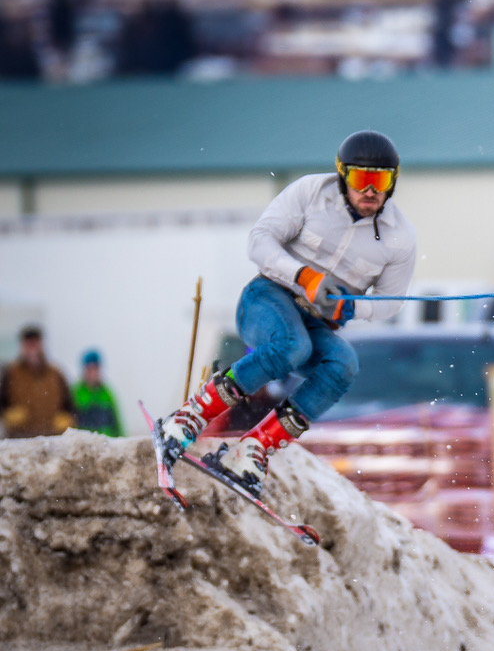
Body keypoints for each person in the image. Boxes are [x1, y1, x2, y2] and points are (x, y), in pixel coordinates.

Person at [155, 130, 417, 495]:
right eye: (361, 179)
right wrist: (304, 276)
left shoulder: (400, 239)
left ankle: (253, 449)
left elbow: (392, 301)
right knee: (293, 347)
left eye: (381, 181)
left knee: (344, 365)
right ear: (343, 176)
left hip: (315, 323)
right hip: (267, 298)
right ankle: (189, 417)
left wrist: (353, 306)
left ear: (394, 182)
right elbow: (259, 240)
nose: (370, 191)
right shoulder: (310, 193)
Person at [0, 325, 74, 438]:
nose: (32, 347)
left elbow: (70, 406)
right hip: (18, 440)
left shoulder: (56, 374)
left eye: (34, 343)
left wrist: (67, 418)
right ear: (22, 346)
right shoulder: (10, 372)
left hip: (51, 440)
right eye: (28, 343)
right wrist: (6, 415)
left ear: (41, 344)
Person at [72, 349, 123, 437]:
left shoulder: (107, 394)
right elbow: (70, 421)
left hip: (106, 440)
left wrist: (121, 439)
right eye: (90, 369)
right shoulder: (76, 393)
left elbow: (117, 423)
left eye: (95, 369)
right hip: (84, 441)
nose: (93, 373)